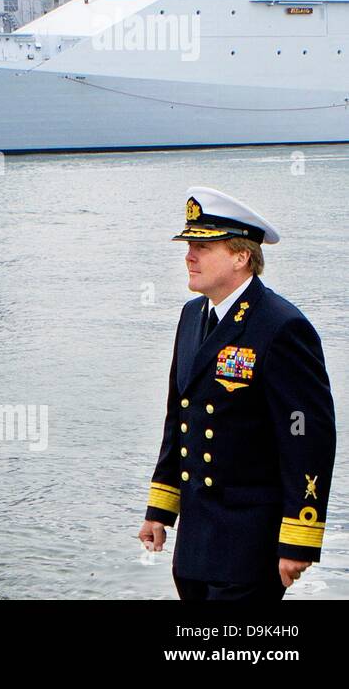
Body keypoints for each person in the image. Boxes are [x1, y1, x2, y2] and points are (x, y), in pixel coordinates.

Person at [139, 188, 336, 600]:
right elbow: (180, 417)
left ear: (241, 256)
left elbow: (307, 438)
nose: (189, 256)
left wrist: (300, 536)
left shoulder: (280, 326)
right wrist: (160, 509)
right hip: (195, 542)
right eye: (189, 245)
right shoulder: (192, 316)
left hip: (251, 542)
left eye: (202, 246)